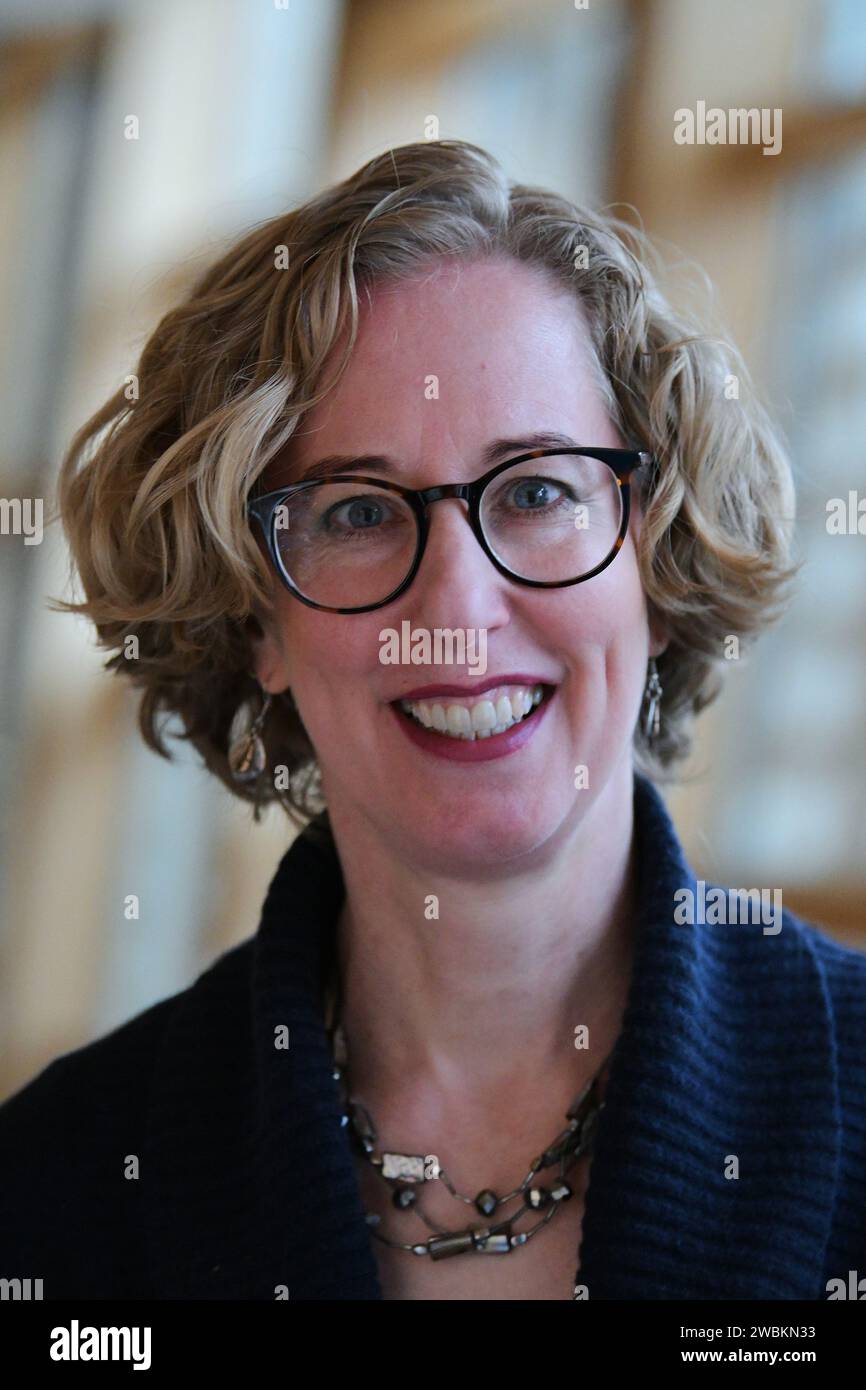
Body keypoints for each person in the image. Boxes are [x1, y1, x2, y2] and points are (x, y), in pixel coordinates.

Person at [2, 140, 865, 1302]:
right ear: (254, 616)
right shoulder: (59, 1191)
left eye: (537, 491)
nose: (455, 612)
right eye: (357, 511)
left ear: (653, 568)